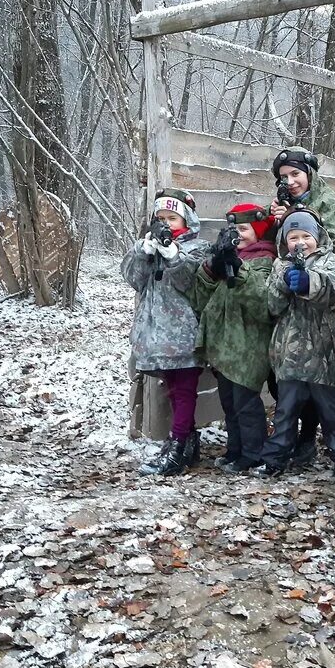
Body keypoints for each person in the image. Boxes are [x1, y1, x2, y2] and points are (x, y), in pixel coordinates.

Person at [256, 207, 335, 479]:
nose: (300, 242)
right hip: (289, 355)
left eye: (305, 236)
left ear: (317, 237)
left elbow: (333, 287)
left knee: (332, 410)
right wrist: (284, 285)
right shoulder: (280, 265)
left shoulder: (330, 261)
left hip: (323, 354)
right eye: (293, 237)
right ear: (285, 241)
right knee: (285, 411)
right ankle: (275, 458)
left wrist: (308, 282)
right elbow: (273, 306)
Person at [267, 147, 335, 466]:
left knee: (329, 404)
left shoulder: (329, 203)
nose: (290, 181)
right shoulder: (283, 257)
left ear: (309, 173)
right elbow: (279, 253)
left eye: (295, 174)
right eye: (283, 177)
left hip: (322, 335)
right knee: (286, 402)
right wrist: (278, 219)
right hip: (290, 345)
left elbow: (331, 257)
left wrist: (307, 281)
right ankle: (282, 452)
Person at [121, 188, 210, 476]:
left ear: (187, 221)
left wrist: (173, 256)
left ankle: (178, 443)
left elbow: (190, 281)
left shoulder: (197, 249)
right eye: (161, 217)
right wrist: (142, 254)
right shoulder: (151, 249)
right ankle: (187, 442)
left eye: (172, 217)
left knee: (184, 389)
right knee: (173, 388)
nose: (166, 223)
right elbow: (133, 280)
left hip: (185, 335)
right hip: (156, 336)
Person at [193, 204, 278, 473]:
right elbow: (201, 296)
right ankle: (235, 449)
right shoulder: (229, 257)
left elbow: (262, 303)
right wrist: (212, 267)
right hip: (225, 345)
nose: (238, 234)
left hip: (248, 346)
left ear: (259, 231)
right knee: (229, 402)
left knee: (245, 403)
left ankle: (253, 453)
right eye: (234, 230)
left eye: (244, 229)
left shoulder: (265, 260)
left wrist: (238, 269)